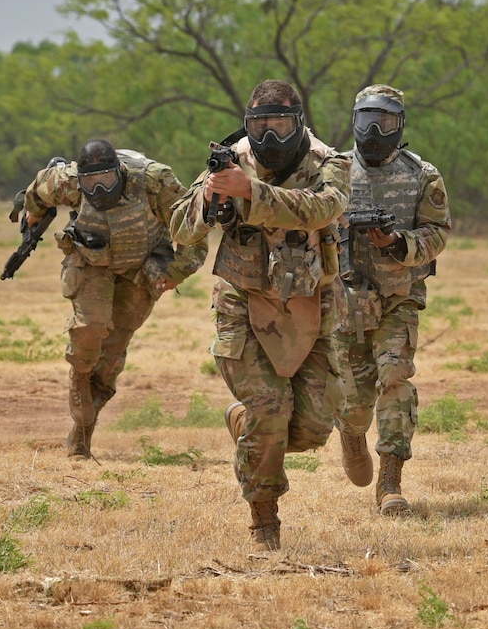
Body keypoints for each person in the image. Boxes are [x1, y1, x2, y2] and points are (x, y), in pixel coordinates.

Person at [169, 79, 350, 551]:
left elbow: (322, 209)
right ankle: (264, 522)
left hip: (312, 304)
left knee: (310, 430)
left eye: (279, 125)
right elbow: (178, 227)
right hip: (243, 304)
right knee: (270, 411)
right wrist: (210, 198)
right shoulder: (232, 158)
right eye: (259, 125)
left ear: (299, 123)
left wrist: (251, 191)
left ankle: (243, 425)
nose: (268, 137)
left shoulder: (328, 161)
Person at [20, 138, 207, 460]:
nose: (99, 189)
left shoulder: (154, 180)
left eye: (105, 180)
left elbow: (192, 227)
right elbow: (38, 189)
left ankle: (82, 432)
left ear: (119, 172)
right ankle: (79, 377)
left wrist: (177, 271)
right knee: (90, 329)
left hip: (141, 267)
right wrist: (32, 215)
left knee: (111, 354)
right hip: (91, 264)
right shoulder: (66, 180)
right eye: (90, 182)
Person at [334, 84, 451, 515]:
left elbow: (438, 232)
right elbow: (306, 221)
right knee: (353, 399)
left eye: (384, 122)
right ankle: (349, 432)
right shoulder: (333, 171)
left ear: (399, 125)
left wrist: (399, 243)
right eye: (367, 120)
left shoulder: (422, 174)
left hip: (400, 295)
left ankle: (389, 484)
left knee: (395, 378)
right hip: (346, 299)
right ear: (355, 120)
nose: (374, 131)